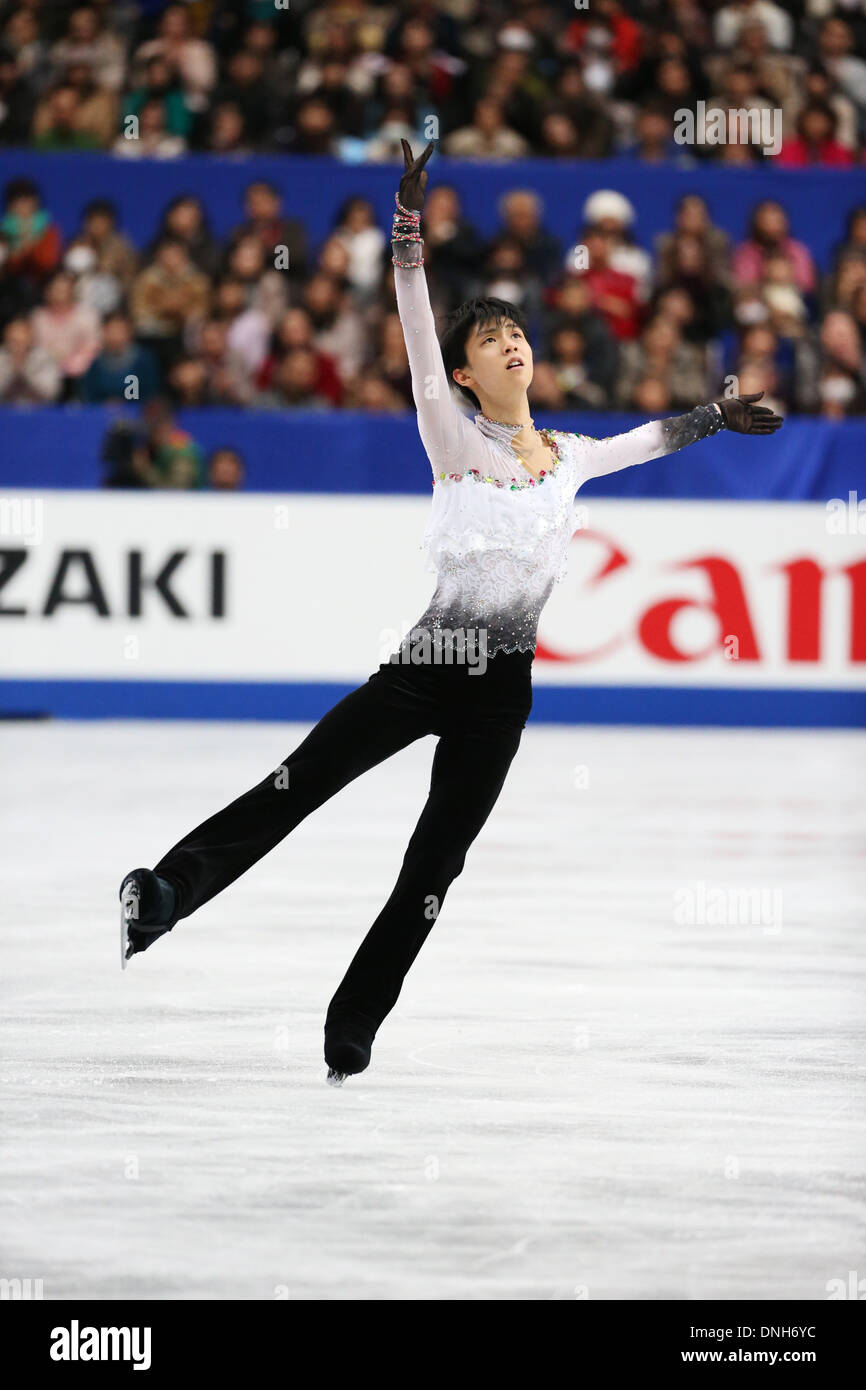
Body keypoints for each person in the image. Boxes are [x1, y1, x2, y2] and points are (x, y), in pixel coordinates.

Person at [118, 142, 783, 1086]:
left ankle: (353, 1027)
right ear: (465, 375)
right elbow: (416, 329)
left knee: (434, 868)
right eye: (489, 340)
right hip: (428, 663)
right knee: (297, 784)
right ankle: (165, 895)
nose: (511, 342)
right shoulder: (451, 433)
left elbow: (647, 439)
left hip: (502, 692)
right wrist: (408, 235)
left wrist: (715, 417)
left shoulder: (570, 452)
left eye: (516, 332)